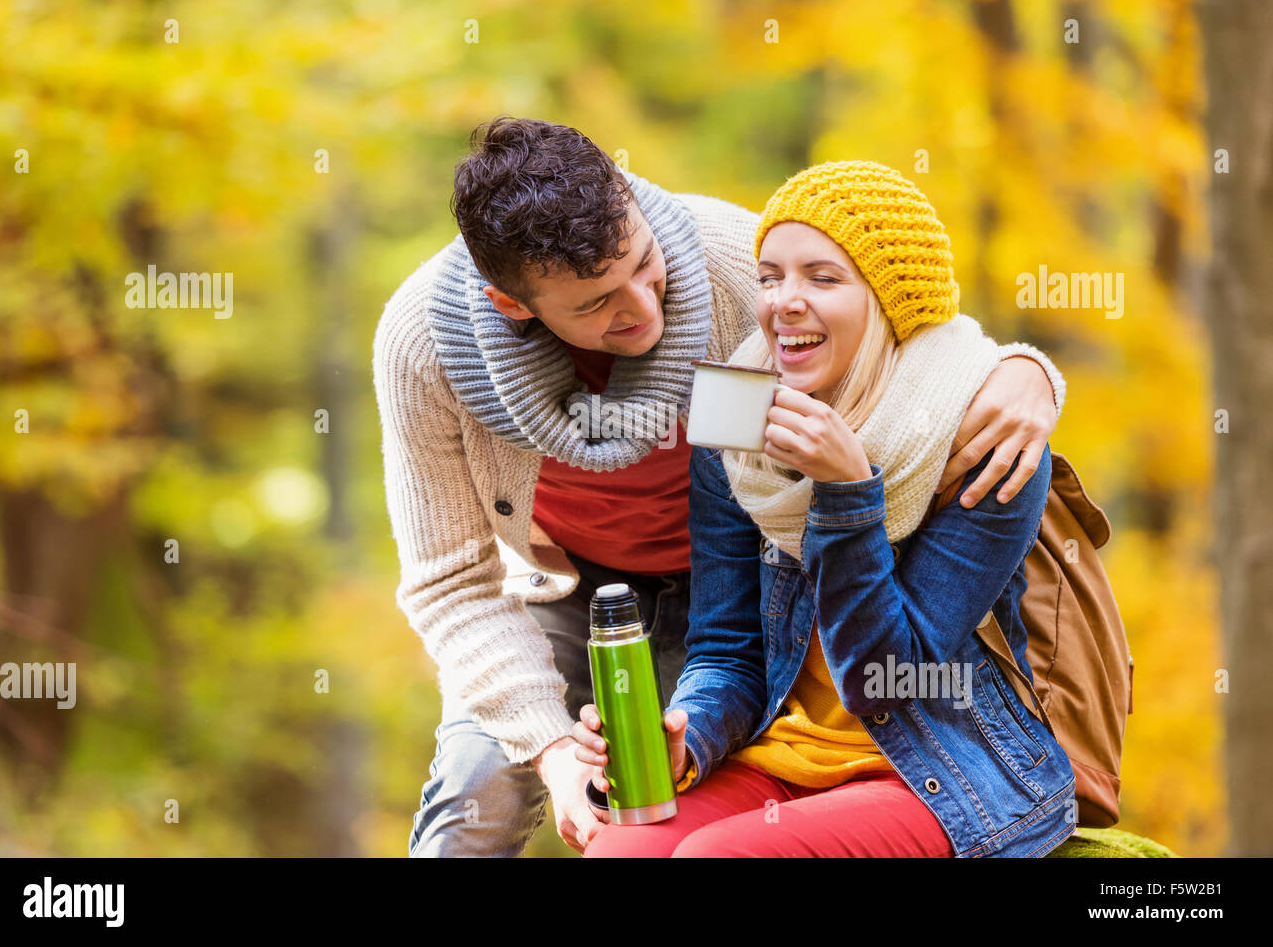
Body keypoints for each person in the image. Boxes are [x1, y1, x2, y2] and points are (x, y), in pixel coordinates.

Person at [374, 119, 1069, 857]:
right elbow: (455, 583)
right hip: (584, 592)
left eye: (645, 263)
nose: (644, 307)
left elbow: (924, 323)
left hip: (928, 759)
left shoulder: (735, 264)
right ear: (514, 304)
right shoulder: (429, 345)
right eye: (595, 302)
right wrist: (590, 748)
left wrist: (1030, 373)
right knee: (480, 798)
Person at [575, 161, 1077, 857]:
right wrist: (687, 732)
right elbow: (727, 650)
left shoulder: (980, 436)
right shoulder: (734, 411)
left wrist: (846, 495)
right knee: (619, 849)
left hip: (938, 770)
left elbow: (888, 683)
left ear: (890, 301)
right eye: (771, 276)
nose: (785, 301)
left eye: (823, 277)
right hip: (783, 757)